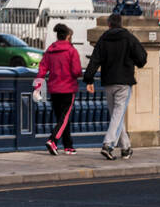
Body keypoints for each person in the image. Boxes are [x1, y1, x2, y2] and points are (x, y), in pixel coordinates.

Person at [83, 13, 148, 160]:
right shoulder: (129, 38)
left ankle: (126, 148)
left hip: (108, 82)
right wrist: (136, 62)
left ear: (109, 24)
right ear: (121, 23)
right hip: (124, 82)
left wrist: (88, 79)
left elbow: (94, 60)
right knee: (118, 116)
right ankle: (108, 144)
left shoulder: (103, 39)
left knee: (116, 116)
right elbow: (142, 58)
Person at [35, 23, 82, 155]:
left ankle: (68, 146)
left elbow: (42, 69)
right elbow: (77, 71)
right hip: (68, 88)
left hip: (54, 89)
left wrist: (37, 88)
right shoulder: (72, 51)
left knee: (62, 119)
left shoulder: (50, 50)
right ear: (68, 36)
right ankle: (53, 140)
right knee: (64, 118)